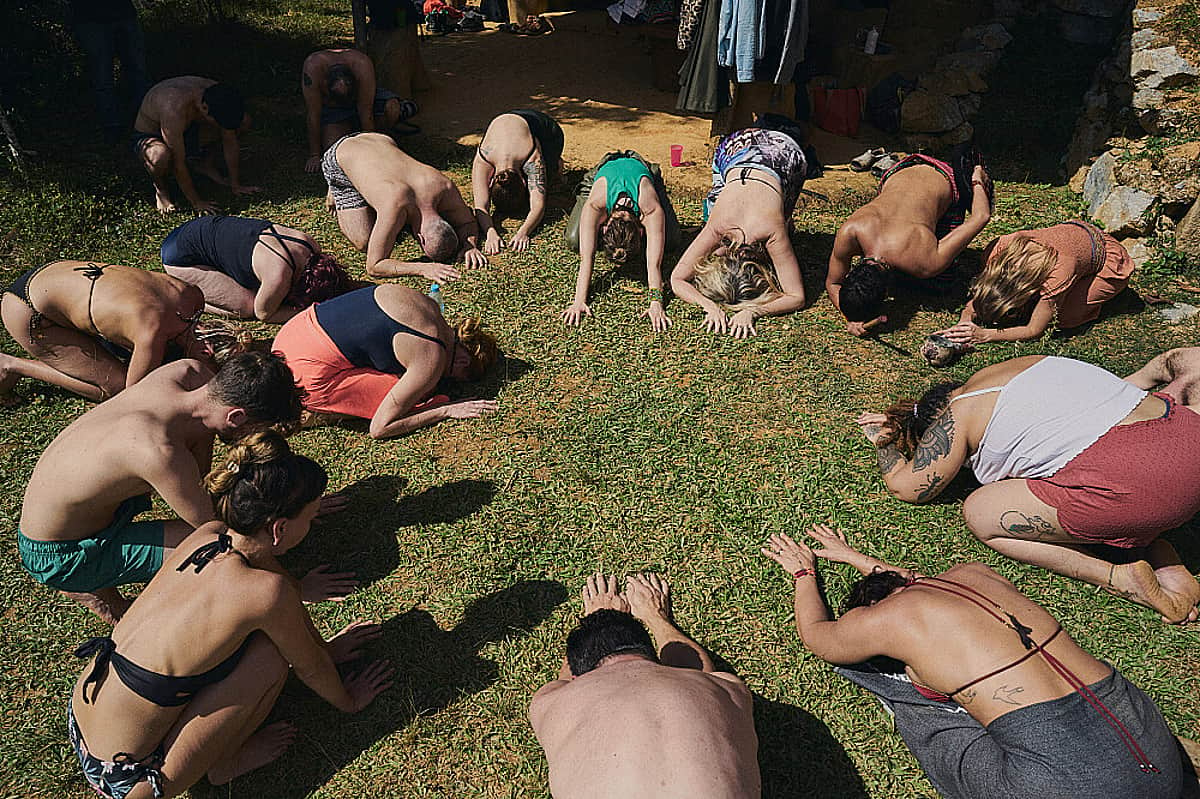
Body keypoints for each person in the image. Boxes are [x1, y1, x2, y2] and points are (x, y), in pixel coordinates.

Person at [67, 430, 392, 799]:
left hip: (84, 719)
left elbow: (287, 602)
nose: (312, 524)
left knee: (260, 637)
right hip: (130, 779)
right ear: (280, 528)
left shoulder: (210, 535)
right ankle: (225, 765)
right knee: (271, 658)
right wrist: (347, 701)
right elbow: (309, 666)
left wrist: (328, 650)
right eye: (310, 517)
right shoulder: (265, 593)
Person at [760, 524, 1187, 799]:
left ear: (872, 609)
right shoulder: (976, 573)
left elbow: (819, 637)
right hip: (1152, 753)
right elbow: (917, 582)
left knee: (887, 678)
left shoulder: (887, 620)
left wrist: (804, 574)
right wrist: (855, 557)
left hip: (1058, 786)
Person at [856, 354, 1200, 623]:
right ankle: (1156, 550)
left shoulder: (959, 412)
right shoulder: (1021, 366)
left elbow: (908, 488)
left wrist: (884, 444)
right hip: (1186, 434)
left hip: (1141, 488)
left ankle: (1117, 576)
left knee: (982, 514)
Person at [16, 352, 305, 624]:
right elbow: (225, 530)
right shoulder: (158, 452)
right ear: (237, 417)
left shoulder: (187, 372)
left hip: (78, 516)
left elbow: (203, 452)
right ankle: (87, 580)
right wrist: (297, 584)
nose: (255, 437)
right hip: (61, 555)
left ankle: (101, 585)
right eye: (258, 428)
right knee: (223, 548)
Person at [529, 572, 760, 798]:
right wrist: (657, 619)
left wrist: (595, 621)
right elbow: (700, 672)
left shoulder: (547, 703)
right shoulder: (726, 687)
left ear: (578, 677)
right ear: (654, 657)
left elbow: (564, 682)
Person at [271, 284, 498, 439]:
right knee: (414, 401)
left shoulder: (428, 304)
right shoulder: (432, 358)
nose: (450, 380)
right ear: (462, 362)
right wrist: (446, 409)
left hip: (290, 335)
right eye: (461, 378)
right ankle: (307, 413)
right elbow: (380, 428)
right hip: (304, 376)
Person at [0, 259, 221, 403]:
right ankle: (12, 366)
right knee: (114, 388)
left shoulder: (193, 297)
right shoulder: (151, 334)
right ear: (206, 353)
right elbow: (132, 398)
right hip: (27, 313)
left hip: (53, 273)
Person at [827, 146, 993, 336]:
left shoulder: (925, 263)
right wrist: (850, 316)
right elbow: (834, 284)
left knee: (941, 284)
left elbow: (981, 216)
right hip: (898, 171)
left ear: (886, 293)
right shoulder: (850, 231)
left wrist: (976, 178)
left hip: (946, 178)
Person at [669, 126, 809, 338]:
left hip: (786, 153)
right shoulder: (720, 228)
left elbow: (797, 297)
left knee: (784, 216)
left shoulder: (769, 231)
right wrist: (709, 306)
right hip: (738, 146)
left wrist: (752, 311)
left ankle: (782, 215)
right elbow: (676, 279)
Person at [937, 220, 1136, 347]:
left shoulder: (1058, 275)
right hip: (1071, 239)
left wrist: (985, 335)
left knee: (1063, 317)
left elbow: (1034, 330)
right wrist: (965, 319)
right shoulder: (998, 250)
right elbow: (990, 289)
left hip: (1105, 259)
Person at [321, 132, 486, 280]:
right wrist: (422, 269)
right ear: (419, 238)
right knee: (363, 241)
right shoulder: (395, 206)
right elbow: (374, 265)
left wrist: (469, 246)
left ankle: (360, 177)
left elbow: (468, 223)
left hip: (380, 138)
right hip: (340, 152)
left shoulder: (444, 187)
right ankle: (339, 183)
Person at [561, 151, 681, 331]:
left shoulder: (650, 210)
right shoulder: (595, 206)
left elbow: (653, 264)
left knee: (672, 240)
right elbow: (587, 258)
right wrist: (579, 301)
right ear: (604, 227)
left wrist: (656, 303)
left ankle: (657, 187)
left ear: (641, 230)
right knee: (575, 240)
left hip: (644, 174)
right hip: (602, 174)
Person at [161, 216, 351, 323]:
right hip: (180, 257)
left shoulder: (308, 243)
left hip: (196, 228)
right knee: (247, 307)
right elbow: (264, 314)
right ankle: (186, 296)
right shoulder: (278, 276)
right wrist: (315, 312)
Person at [133, 76, 260, 214]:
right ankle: (161, 189)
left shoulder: (217, 95)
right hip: (152, 135)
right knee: (161, 157)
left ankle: (204, 164)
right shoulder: (173, 109)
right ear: (204, 108)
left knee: (243, 122)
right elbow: (178, 164)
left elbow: (229, 139)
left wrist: (236, 184)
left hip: (190, 129)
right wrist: (197, 202)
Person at [300, 48, 413, 173]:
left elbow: (366, 112)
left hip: (363, 101)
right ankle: (352, 131)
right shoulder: (312, 68)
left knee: (392, 109)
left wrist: (372, 148)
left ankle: (385, 130)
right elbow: (313, 115)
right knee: (333, 149)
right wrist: (314, 155)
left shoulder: (362, 65)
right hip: (333, 110)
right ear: (324, 83)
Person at [471, 109, 564, 254]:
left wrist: (524, 232)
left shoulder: (531, 156)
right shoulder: (484, 158)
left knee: (550, 177)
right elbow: (480, 207)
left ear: (524, 180)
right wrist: (490, 233)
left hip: (546, 130)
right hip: (508, 121)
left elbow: (538, 204)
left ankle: (557, 165)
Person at [68, 0, 148, 142]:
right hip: (91, 20)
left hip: (124, 15)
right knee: (102, 75)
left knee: (137, 71)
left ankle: (145, 121)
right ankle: (112, 127)